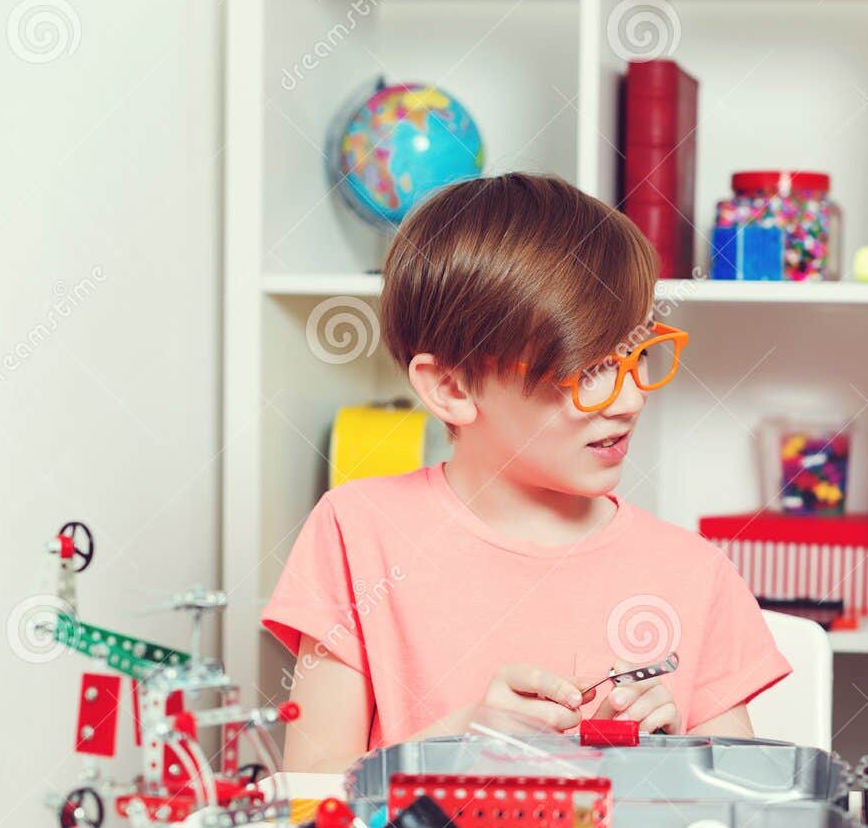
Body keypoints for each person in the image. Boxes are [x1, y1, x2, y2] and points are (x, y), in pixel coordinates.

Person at [263, 174, 789, 774]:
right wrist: (454, 744)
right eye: (587, 368)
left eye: (636, 354)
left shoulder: (696, 574)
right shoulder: (357, 533)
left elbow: (744, 822)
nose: (630, 399)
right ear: (452, 388)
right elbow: (310, 801)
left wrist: (673, 757)